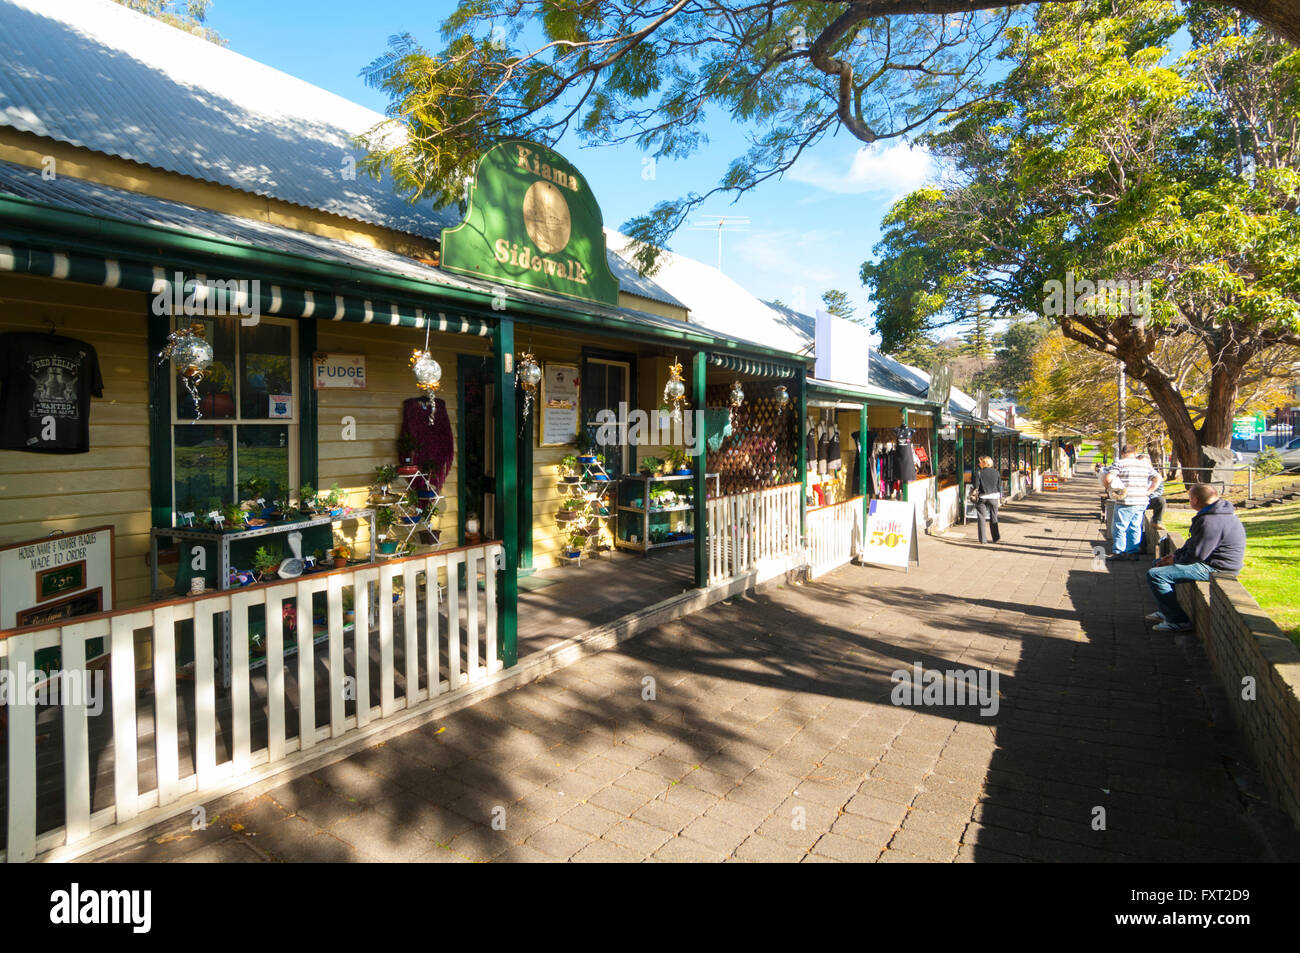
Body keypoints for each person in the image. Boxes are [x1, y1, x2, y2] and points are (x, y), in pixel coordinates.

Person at [1146, 484, 1245, 632]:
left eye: (1189, 498)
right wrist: (1175, 556)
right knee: (1158, 564)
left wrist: (1175, 560)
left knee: (1156, 575)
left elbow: (1198, 554)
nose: (1189, 501)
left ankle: (1178, 621)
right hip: (1209, 560)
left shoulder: (1211, 521)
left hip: (1218, 566)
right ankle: (1166, 610)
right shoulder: (1213, 513)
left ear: (1195, 500)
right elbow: (1194, 544)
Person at [1105, 444, 1160, 560]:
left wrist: (1109, 489)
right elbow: (1157, 478)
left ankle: (1119, 552)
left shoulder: (1120, 463)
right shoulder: (1145, 464)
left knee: (1119, 526)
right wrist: (1149, 491)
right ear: (1135, 453)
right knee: (1135, 526)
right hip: (1141, 500)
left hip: (1125, 500)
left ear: (1122, 453)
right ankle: (1133, 552)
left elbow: (1108, 478)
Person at [971, 454, 1002, 544]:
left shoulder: (979, 472)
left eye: (980, 462)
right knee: (994, 517)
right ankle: (995, 538)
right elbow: (999, 485)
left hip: (982, 497)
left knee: (981, 517)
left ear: (984, 463)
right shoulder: (996, 472)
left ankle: (983, 539)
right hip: (994, 497)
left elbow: (976, 486)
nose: (979, 464)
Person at [1139, 452, 1166, 530]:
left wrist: (1147, 495)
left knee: (1161, 501)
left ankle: (1156, 521)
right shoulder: (1134, 474)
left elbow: (1159, 491)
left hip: (1148, 498)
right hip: (1135, 499)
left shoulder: (1156, 475)